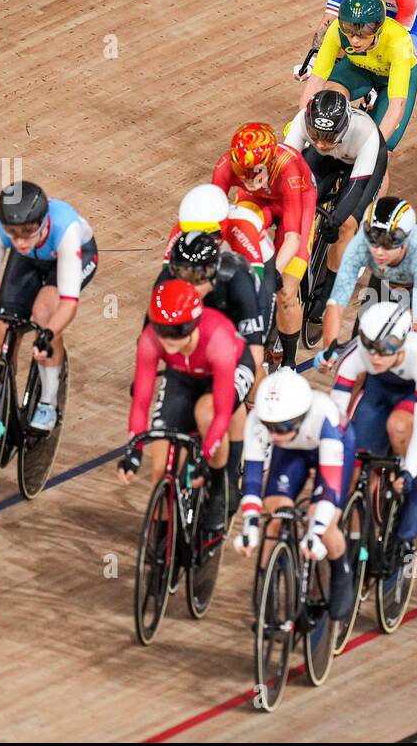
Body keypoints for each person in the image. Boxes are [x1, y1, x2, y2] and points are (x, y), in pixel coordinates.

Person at [0, 182, 98, 431]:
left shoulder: (66, 228)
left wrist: (48, 334)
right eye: (12, 233)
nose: (18, 241)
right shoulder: (6, 233)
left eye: (26, 232)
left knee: (44, 313)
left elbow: (69, 303)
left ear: (43, 222)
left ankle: (48, 405)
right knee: (4, 328)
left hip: (73, 256)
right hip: (31, 259)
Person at [118, 280, 257, 532]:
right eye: (162, 330)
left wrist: (205, 457)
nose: (169, 339)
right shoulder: (151, 339)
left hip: (229, 367)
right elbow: (140, 402)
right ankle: (161, 544)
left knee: (207, 412)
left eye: (177, 330)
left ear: (192, 324)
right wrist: (134, 451)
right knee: (160, 470)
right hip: (183, 375)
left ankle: (218, 489)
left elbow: (223, 413)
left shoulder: (218, 338)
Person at [233, 369, 356, 622]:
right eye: (271, 428)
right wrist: (250, 526)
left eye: (283, 426)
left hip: (331, 447)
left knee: (325, 522)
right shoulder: (259, 420)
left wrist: (315, 531)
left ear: (301, 415)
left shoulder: (324, 417)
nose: (275, 434)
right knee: (275, 515)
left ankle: (341, 570)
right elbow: (253, 480)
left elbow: (330, 489)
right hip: (290, 452)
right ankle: (269, 584)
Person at [328, 302, 417, 561]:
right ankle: (356, 542)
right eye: (370, 347)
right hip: (379, 392)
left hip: (415, 393)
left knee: (399, 426)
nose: (375, 357)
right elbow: (336, 417)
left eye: (385, 349)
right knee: (354, 469)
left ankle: (409, 497)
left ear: (402, 342)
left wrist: (411, 469)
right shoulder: (355, 353)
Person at [210, 122, 318, 367]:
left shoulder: (287, 167)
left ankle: (289, 363)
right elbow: (214, 221)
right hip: (256, 200)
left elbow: (293, 237)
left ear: (268, 164)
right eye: (242, 172)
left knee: (285, 292)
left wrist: (273, 274)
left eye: (253, 172)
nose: (247, 178)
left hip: (296, 200)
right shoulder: (226, 166)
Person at [283, 90, 389, 321]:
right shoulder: (303, 120)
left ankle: (329, 291)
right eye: (315, 135)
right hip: (326, 160)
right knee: (299, 203)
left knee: (346, 225)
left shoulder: (366, 133)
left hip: (360, 165)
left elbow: (357, 187)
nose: (320, 143)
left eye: (328, 136)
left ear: (342, 129)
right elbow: (287, 166)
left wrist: (337, 219)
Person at [318, 196, 417, 358]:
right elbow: (336, 304)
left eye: (387, 245)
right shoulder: (360, 244)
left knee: (400, 348)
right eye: (374, 242)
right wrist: (328, 351)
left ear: (405, 241)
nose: (379, 252)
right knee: (359, 349)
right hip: (387, 283)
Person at [163, 233, 266, 423]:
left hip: (242, 309)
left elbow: (254, 353)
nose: (187, 285)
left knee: (243, 372)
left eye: (194, 277)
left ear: (210, 272)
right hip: (212, 315)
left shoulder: (237, 279)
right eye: (182, 275)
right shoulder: (168, 278)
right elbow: (151, 327)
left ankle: (256, 418)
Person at [300, 0, 417, 151]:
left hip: (391, 78)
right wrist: (303, 125)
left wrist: (375, 148)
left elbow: (397, 104)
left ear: (377, 29)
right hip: (359, 69)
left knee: (382, 151)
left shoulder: (398, 41)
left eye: (362, 35)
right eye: (349, 33)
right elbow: (316, 82)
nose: (355, 40)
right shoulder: (336, 30)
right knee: (331, 95)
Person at [172, 183, 278, 353]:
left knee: (254, 346)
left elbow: (254, 290)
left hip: (254, 266)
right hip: (212, 269)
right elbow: (166, 279)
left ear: (223, 224)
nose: (200, 239)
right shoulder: (184, 227)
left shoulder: (243, 226)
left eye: (209, 234)